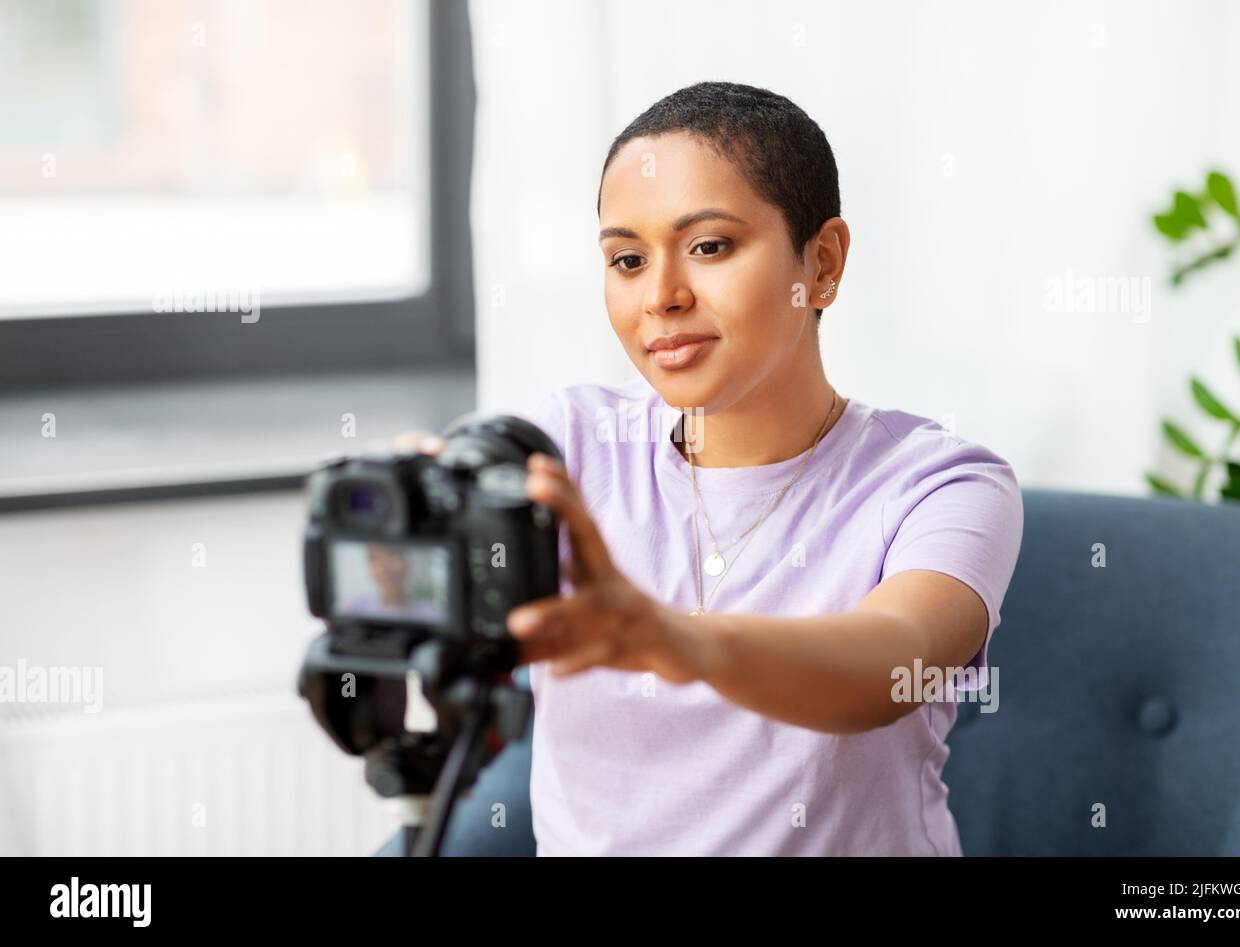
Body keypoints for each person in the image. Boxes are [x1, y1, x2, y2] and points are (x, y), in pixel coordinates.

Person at [395, 81, 1023, 855]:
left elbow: (892, 666)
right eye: (627, 259)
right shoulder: (569, 445)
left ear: (820, 263)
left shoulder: (942, 484)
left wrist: (671, 640)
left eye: (709, 247)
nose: (660, 296)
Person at [339, 543, 441, 622]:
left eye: (393, 554)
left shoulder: (431, 613)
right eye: (374, 558)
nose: (384, 567)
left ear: (406, 561)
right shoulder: (353, 608)